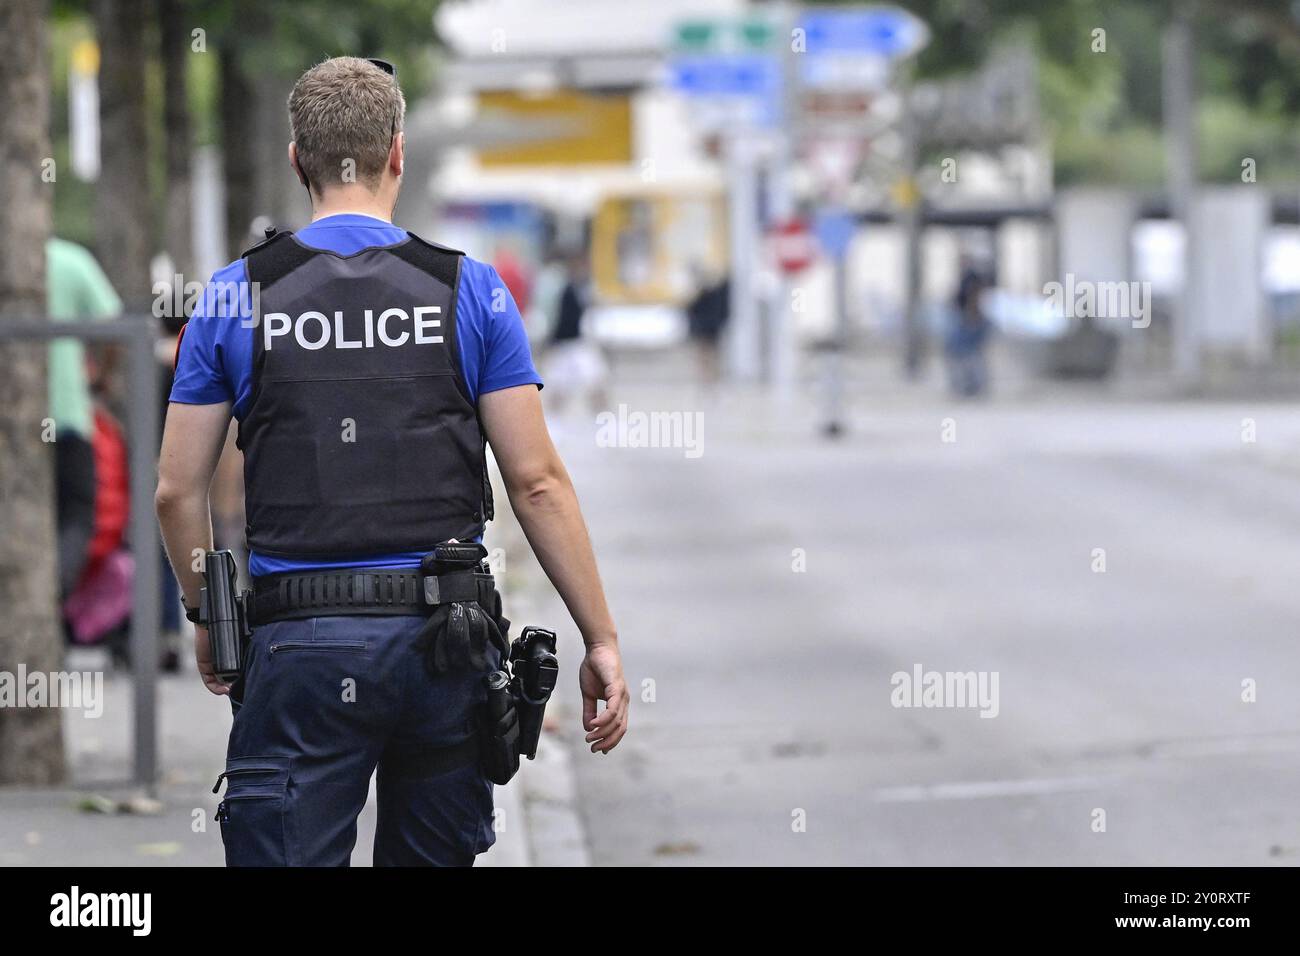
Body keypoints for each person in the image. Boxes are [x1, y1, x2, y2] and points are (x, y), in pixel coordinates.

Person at [155, 57, 628, 867]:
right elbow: (536, 481)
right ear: (398, 154)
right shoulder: (470, 292)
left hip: (296, 643)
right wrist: (602, 639)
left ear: (298, 159)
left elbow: (174, 490)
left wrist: (208, 614)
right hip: (443, 645)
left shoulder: (236, 297)